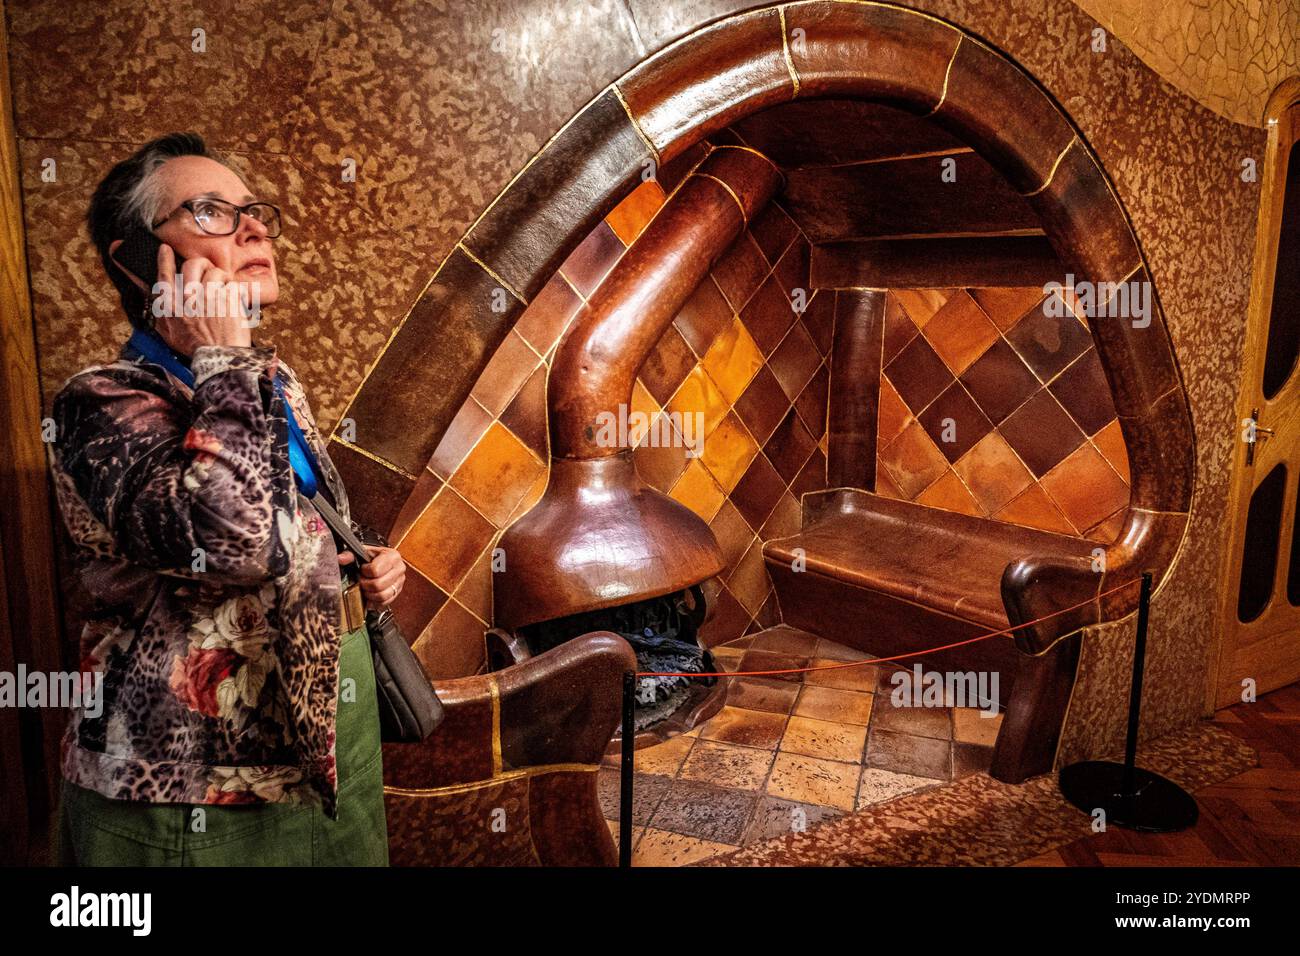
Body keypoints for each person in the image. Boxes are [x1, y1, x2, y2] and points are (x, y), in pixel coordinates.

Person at [47, 131, 405, 865]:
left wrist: (355, 566)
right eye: (211, 210)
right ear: (139, 260)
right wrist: (226, 359)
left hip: (328, 741)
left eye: (255, 211)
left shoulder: (272, 383)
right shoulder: (101, 401)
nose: (255, 228)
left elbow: (289, 524)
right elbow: (236, 546)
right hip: (189, 781)